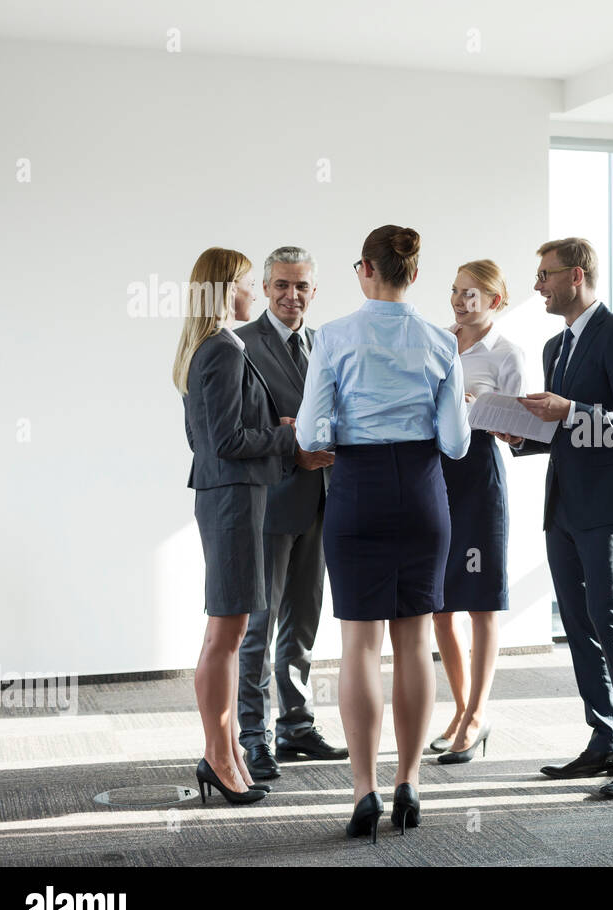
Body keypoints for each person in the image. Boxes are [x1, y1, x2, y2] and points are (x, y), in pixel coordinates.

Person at [295, 224, 470, 842]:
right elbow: (455, 442)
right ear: (414, 275)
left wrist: (342, 421)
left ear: (363, 269)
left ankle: (363, 790)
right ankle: (410, 783)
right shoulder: (438, 342)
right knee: (415, 640)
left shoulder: (334, 336)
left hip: (358, 492)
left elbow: (312, 434)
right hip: (422, 493)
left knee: (360, 647)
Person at [495, 237, 613, 798]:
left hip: (611, 505)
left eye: (545, 275)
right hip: (563, 503)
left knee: (611, 620)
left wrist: (572, 411)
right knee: (577, 623)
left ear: (577, 275)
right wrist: (523, 436)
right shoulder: (553, 347)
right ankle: (605, 739)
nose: (537, 285)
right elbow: (565, 431)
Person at [174, 247, 301, 806]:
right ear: (228, 288)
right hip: (232, 501)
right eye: (249, 281)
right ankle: (219, 756)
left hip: (229, 496)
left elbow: (205, 438)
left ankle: (224, 751)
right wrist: (287, 438)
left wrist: (271, 427)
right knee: (226, 636)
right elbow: (224, 442)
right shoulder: (225, 349)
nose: (254, 290)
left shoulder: (209, 347)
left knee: (221, 633)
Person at [235, 246, 347, 780]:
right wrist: (286, 432)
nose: (291, 295)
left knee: (303, 621)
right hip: (272, 500)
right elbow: (238, 427)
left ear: (313, 291)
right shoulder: (242, 345)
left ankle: (296, 725)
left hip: (324, 497)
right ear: (265, 287)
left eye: (301, 286)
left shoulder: (325, 342)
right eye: (281, 285)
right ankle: (253, 736)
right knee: (259, 625)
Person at [430, 260, 525, 763]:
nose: (462, 302)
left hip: (478, 477)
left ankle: (477, 713)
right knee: (440, 605)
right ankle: (462, 707)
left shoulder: (507, 352)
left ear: (495, 302)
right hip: (437, 474)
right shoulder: (438, 343)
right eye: (457, 291)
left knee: (481, 601)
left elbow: (519, 424)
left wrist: (479, 406)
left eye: (474, 294)